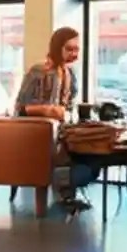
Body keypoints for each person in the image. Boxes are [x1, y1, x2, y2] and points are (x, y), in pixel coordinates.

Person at [14, 27, 99, 211]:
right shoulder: (38, 72)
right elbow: (20, 109)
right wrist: (48, 111)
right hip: (39, 136)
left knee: (96, 157)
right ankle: (59, 185)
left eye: (77, 49)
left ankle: (65, 189)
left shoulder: (71, 75)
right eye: (69, 49)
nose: (74, 54)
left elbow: (69, 108)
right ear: (57, 47)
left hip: (65, 132)